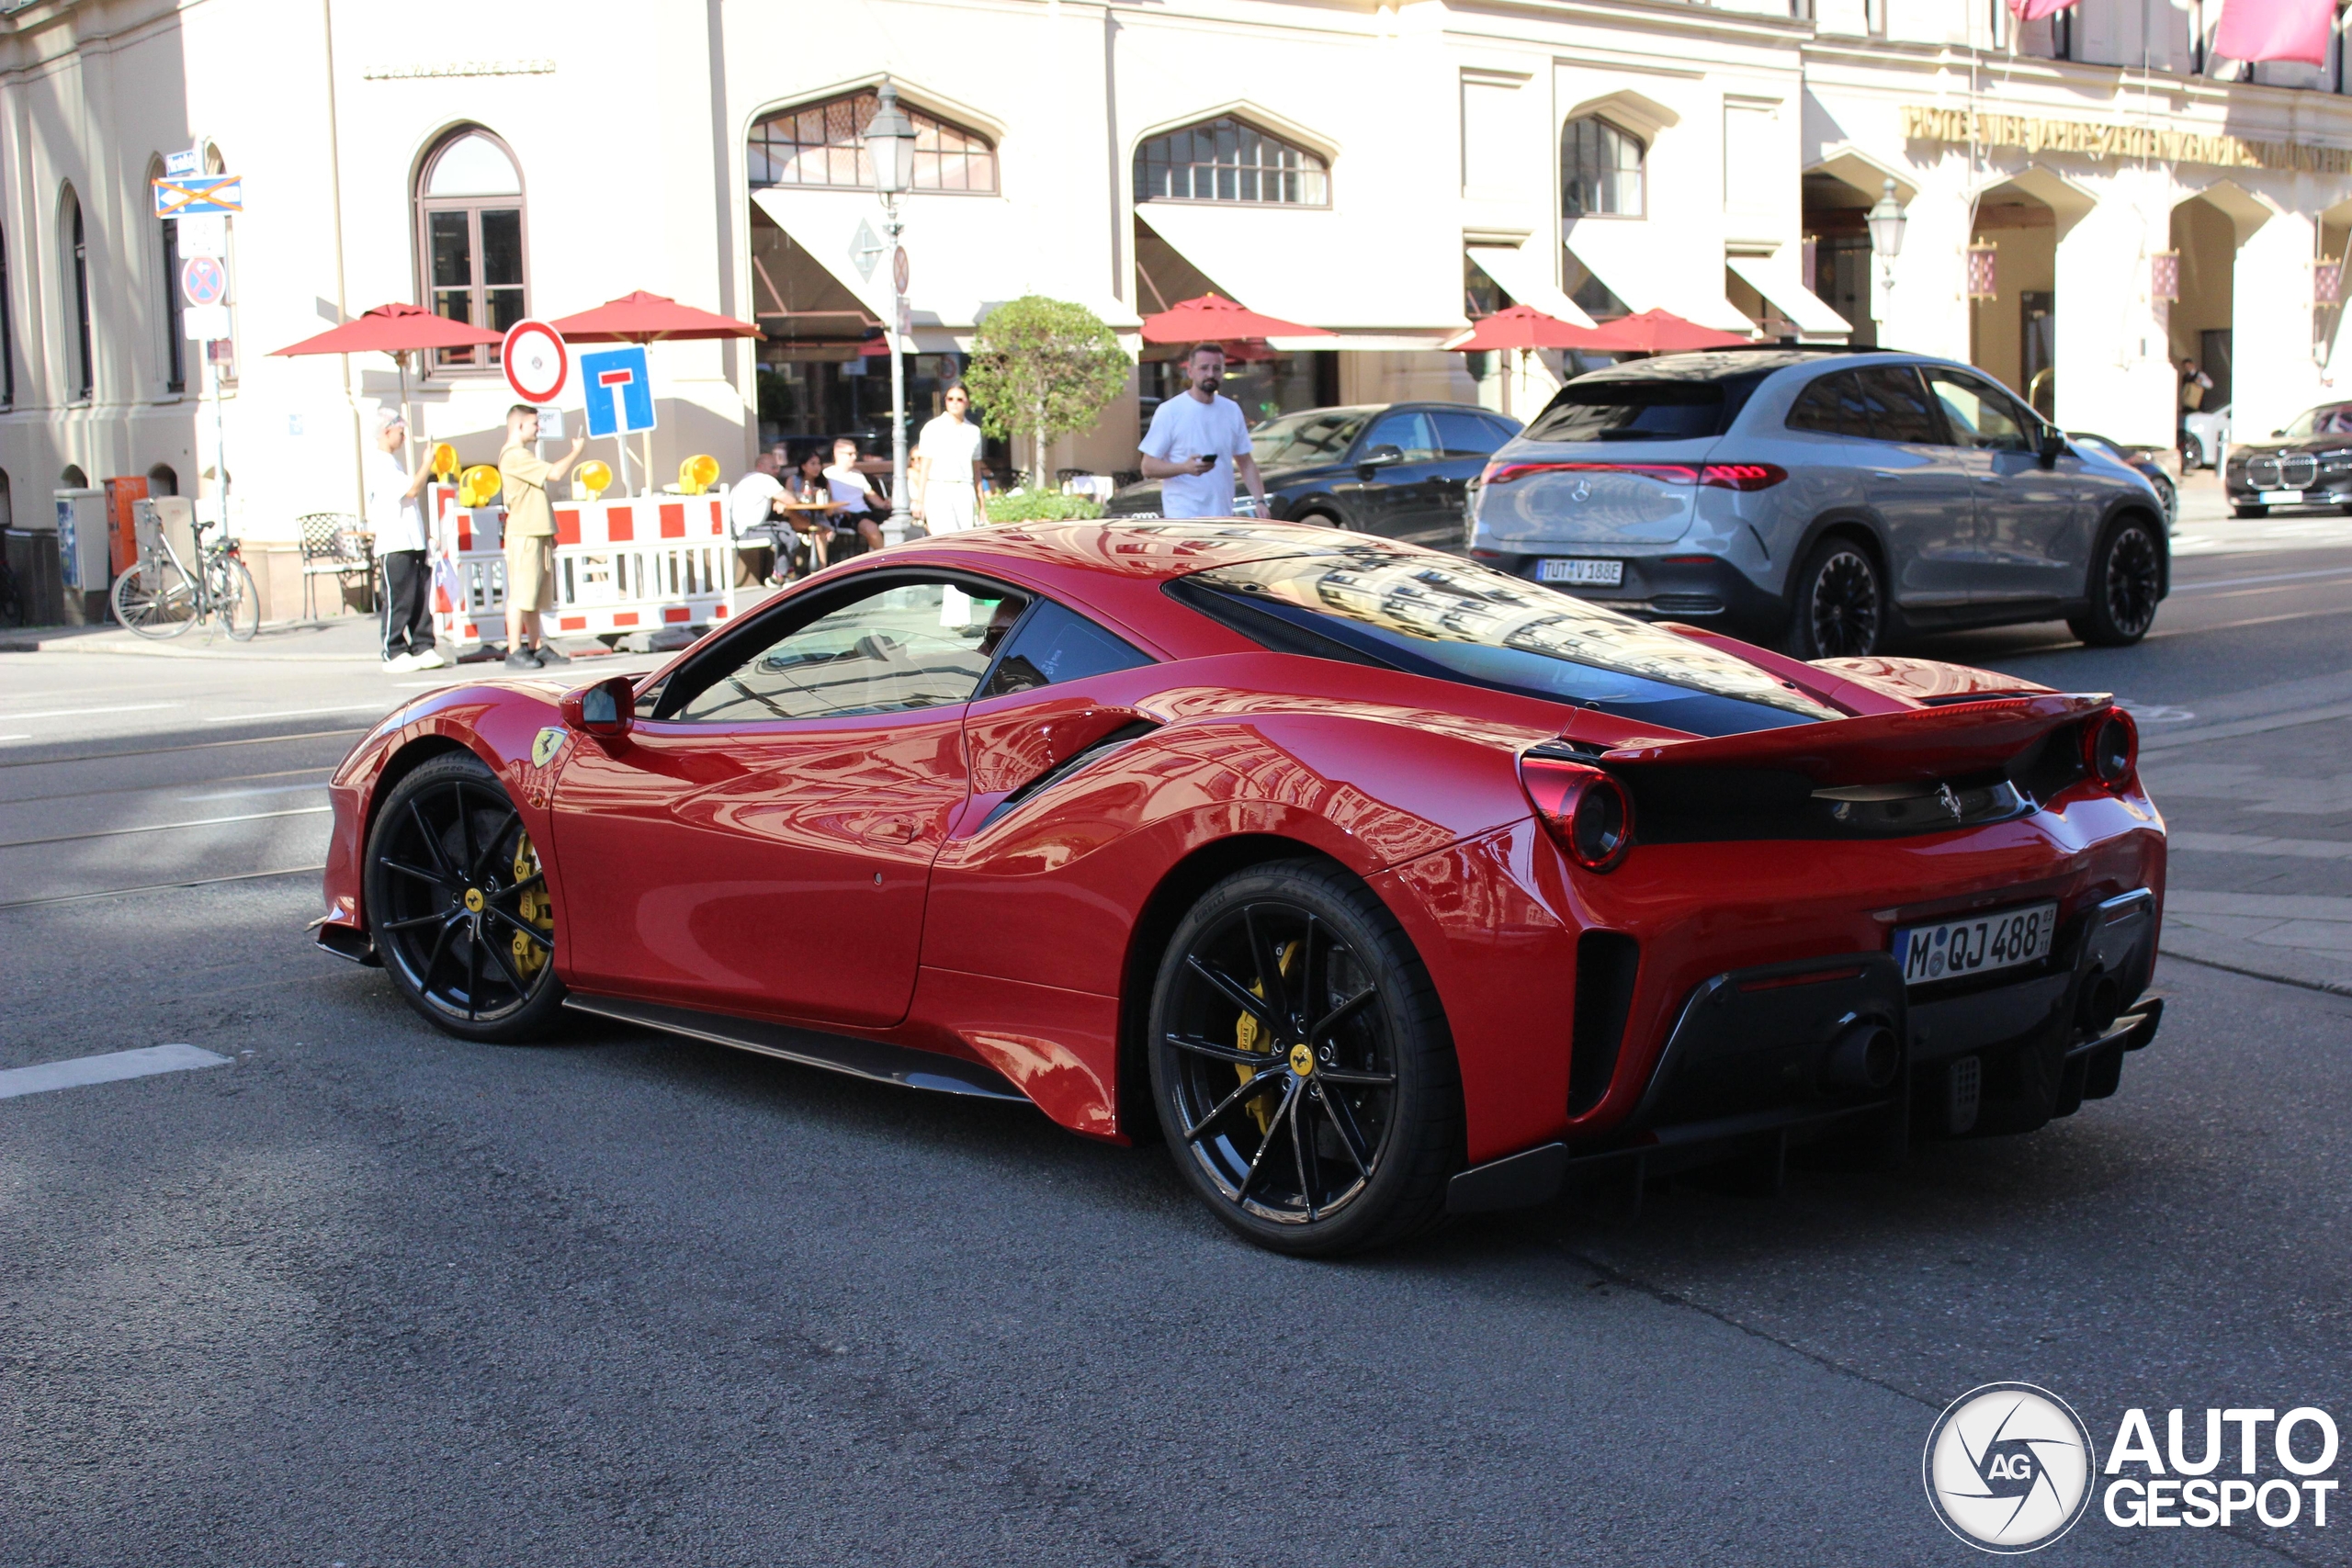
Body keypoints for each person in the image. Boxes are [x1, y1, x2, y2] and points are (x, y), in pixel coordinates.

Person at [497, 404, 586, 671]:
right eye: (534, 424)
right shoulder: (514, 455)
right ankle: (515, 650)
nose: (539, 429)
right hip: (524, 532)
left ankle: (534, 645)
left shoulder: (520, 455)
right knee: (521, 595)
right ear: (519, 425)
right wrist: (576, 452)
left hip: (535, 530)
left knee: (534, 595)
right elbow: (555, 473)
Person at [1138, 343, 1266, 519]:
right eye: (1204, 368)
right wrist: (1185, 467)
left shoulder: (1231, 410)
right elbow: (1148, 467)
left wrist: (1260, 501)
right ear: (1190, 371)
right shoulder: (1171, 411)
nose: (1210, 374)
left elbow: (1246, 462)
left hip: (1222, 516)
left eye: (1216, 368)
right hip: (1184, 518)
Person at [367, 410, 445, 671]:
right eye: (400, 431)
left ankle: (422, 644)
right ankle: (394, 649)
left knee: (419, 598)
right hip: (395, 542)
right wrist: (427, 463)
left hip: (411, 541)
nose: (403, 437)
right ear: (387, 431)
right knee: (399, 599)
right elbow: (411, 489)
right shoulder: (381, 463)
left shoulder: (392, 462)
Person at [910, 384, 986, 535]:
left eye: (960, 399)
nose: (954, 402)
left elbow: (976, 470)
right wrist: (920, 501)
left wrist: (982, 506)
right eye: (950, 399)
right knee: (943, 539)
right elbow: (925, 467)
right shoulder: (933, 427)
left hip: (964, 489)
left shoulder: (973, 431)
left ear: (967, 403)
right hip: (939, 488)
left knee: (964, 540)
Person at [729, 449, 788, 586]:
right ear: (760, 466)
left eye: (778, 467)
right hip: (747, 531)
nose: (777, 471)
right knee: (788, 535)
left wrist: (777, 501)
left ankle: (785, 572)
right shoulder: (764, 479)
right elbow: (791, 499)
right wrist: (785, 499)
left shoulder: (747, 478)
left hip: (737, 530)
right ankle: (781, 576)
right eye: (773, 467)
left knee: (785, 529)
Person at [821, 436, 888, 556]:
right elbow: (827, 501)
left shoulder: (857, 474)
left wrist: (884, 504)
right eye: (850, 454)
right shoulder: (828, 475)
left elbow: (870, 494)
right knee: (871, 528)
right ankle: (885, 558)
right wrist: (839, 510)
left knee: (891, 523)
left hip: (864, 512)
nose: (854, 457)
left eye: (855, 453)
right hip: (844, 515)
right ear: (837, 454)